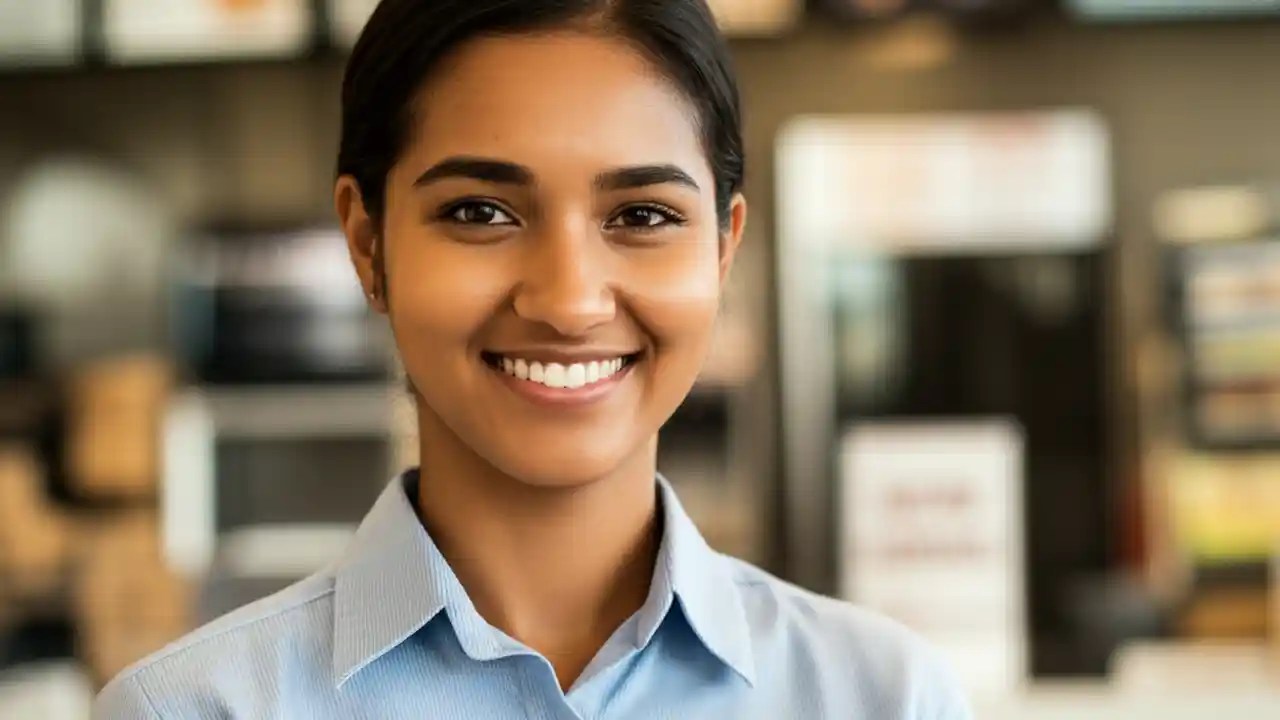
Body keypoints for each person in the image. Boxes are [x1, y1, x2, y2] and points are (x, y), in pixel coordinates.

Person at [94, 1, 972, 717]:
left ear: (723, 248)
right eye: (481, 212)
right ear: (367, 244)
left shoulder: (883, 698)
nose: (568, 301)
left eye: (642, 216)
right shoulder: (197, 712)